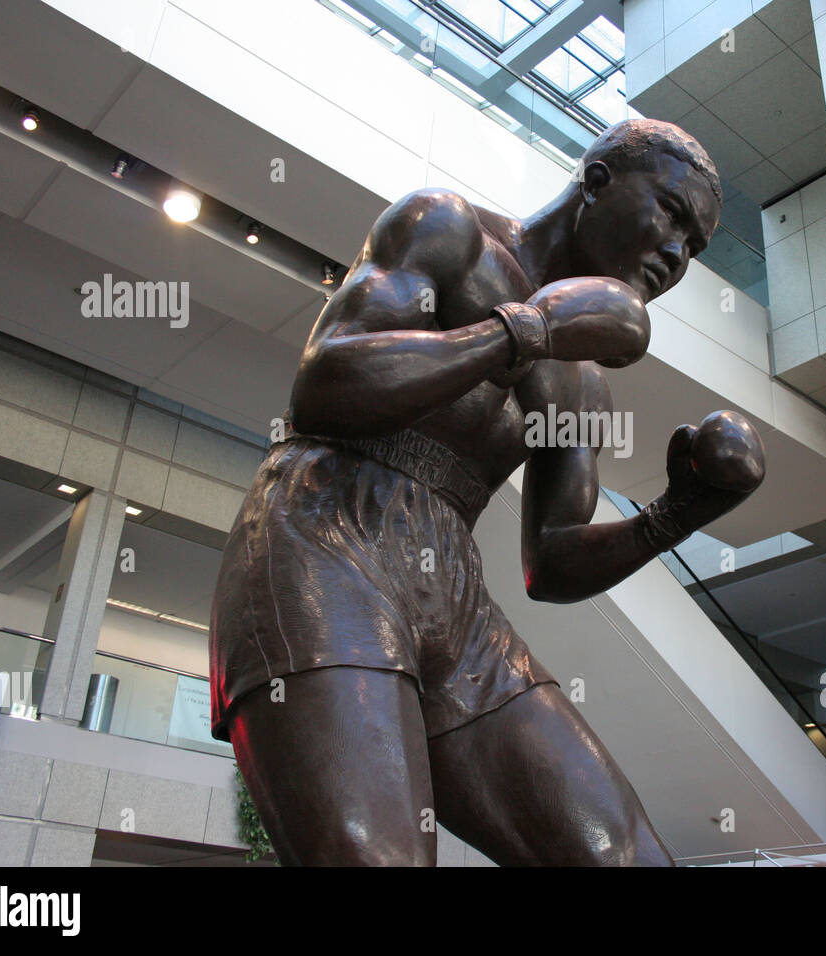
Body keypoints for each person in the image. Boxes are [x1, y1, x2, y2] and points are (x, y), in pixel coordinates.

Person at [210, 119, 765, 865]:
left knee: (626, 858)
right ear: (595, 183)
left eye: (694, 245)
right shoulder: (447, 231)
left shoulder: (581, 380)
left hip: (450, 589)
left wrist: (676, 515)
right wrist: (525, 331)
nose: (676, 253)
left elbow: (553, 563)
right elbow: (326, 385)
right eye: (670, 213)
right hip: (323, 539)